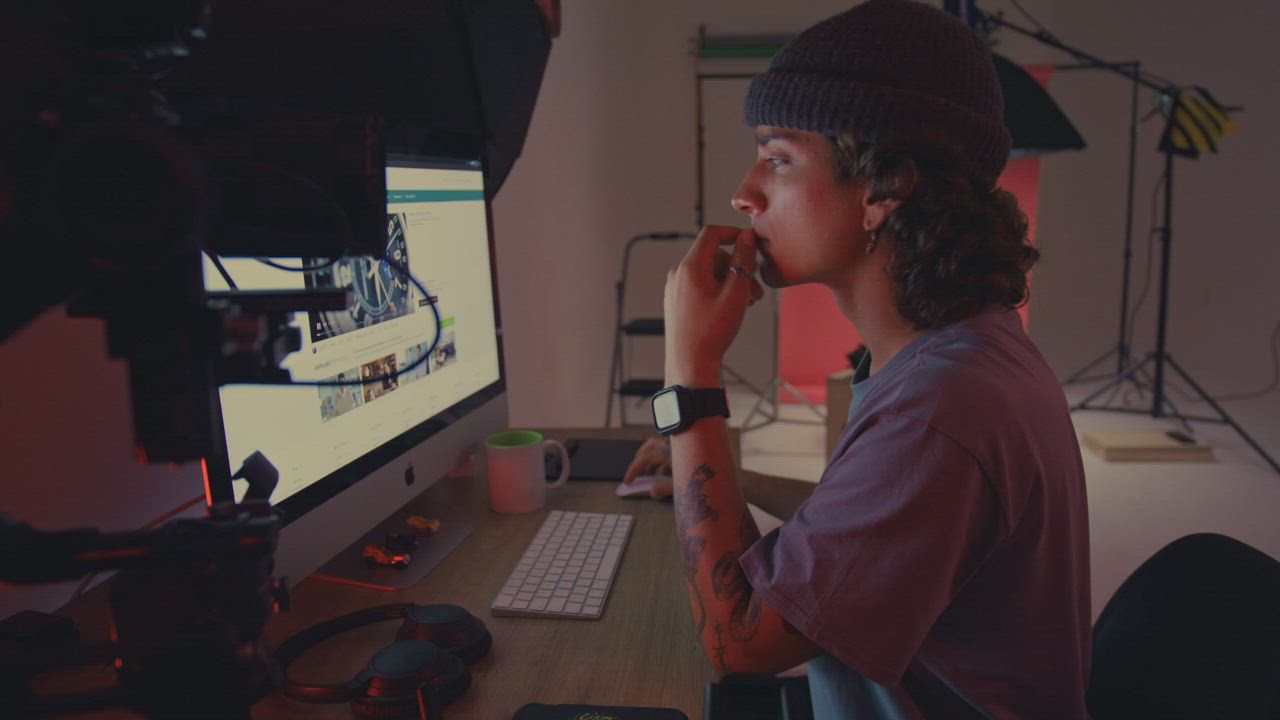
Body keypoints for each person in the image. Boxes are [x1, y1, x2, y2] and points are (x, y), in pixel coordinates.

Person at [627, 1, 1092, 717]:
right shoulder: (958, 347)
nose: (744, 194)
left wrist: (690, 376)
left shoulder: (942, 410)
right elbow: (872, 519)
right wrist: (735, 478)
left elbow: (739, 643)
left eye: (777, 159)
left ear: (885, 187)